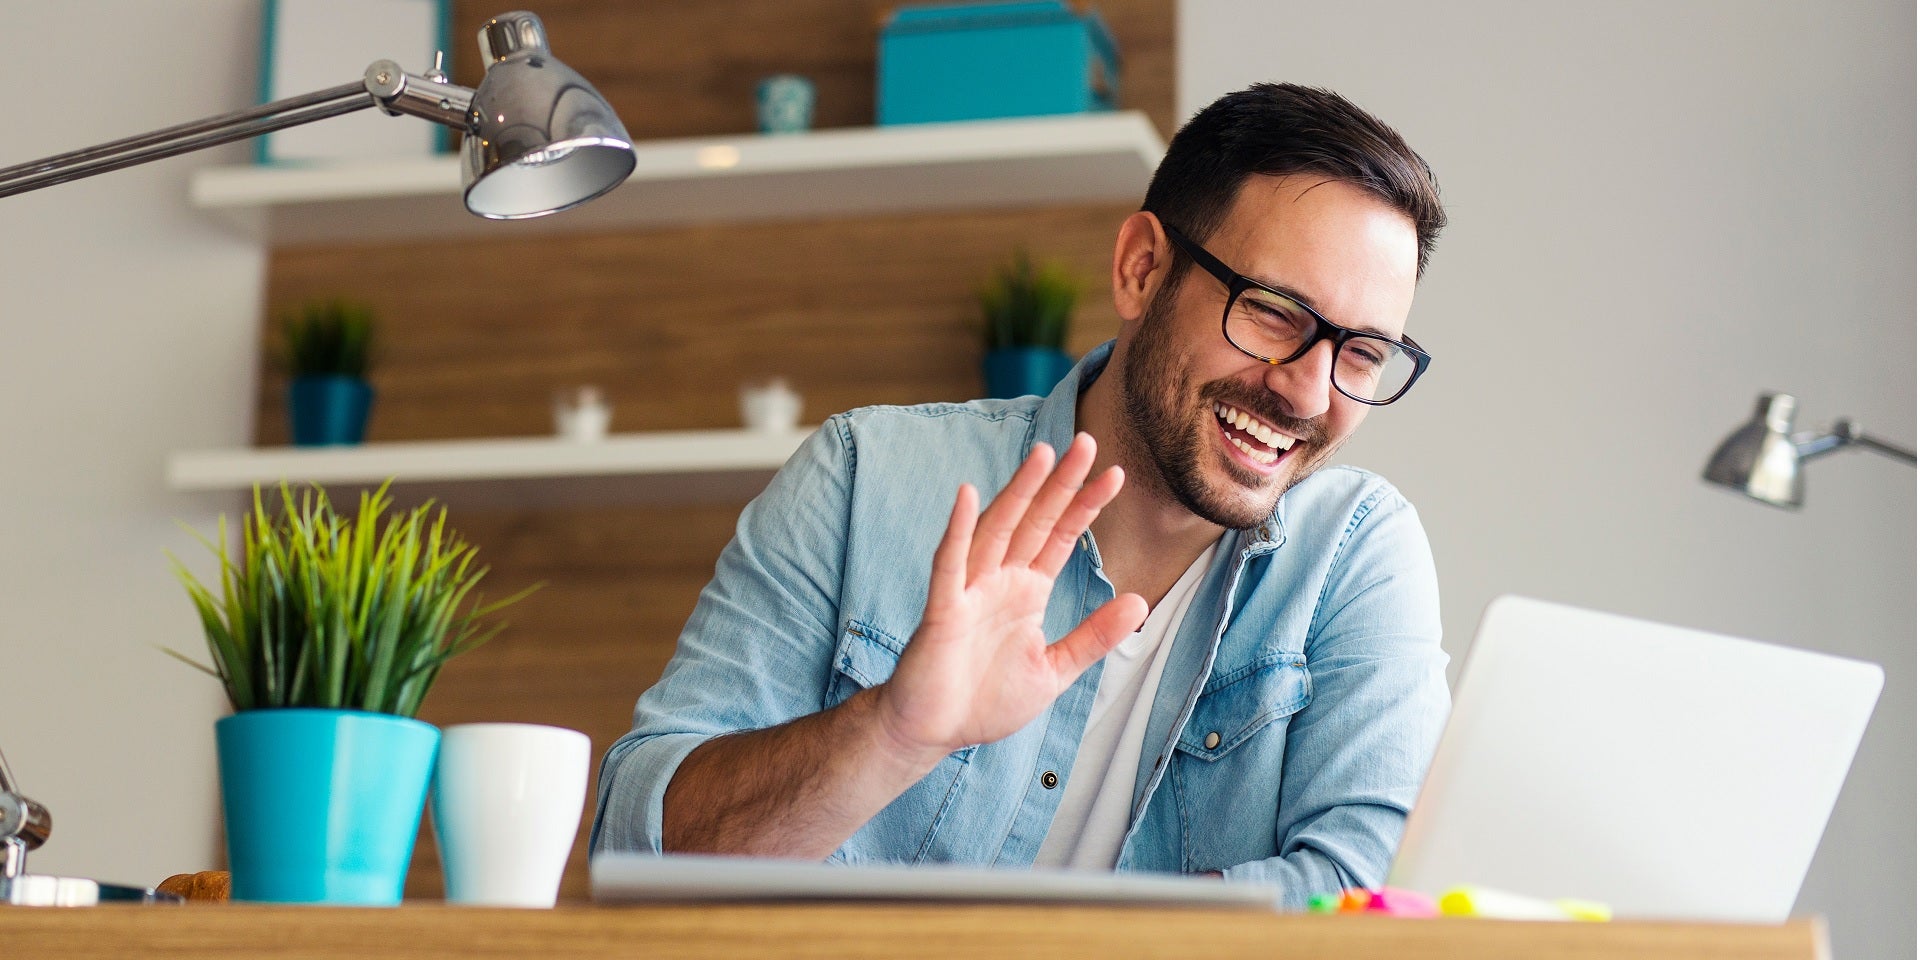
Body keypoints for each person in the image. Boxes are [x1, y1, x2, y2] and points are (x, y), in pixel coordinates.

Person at [590, 82, 1451, 906]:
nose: (1308, 392)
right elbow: (635, 853)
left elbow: (1371, 897)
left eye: (1364, 355)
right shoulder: (866, 475)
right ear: (1141, 270)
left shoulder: (1352, 555)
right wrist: (890, 734)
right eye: (1274, 313)